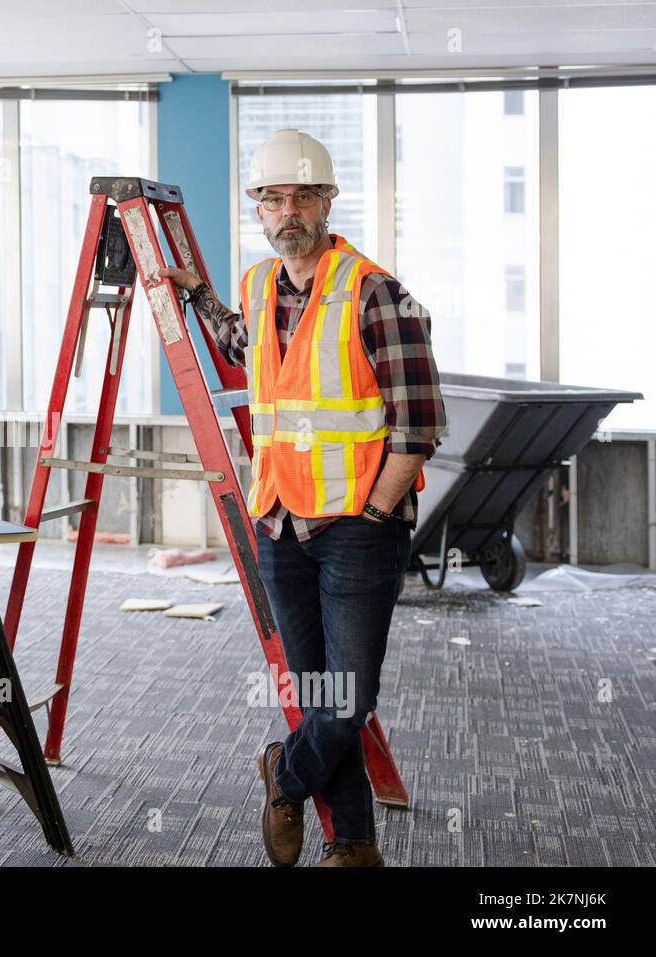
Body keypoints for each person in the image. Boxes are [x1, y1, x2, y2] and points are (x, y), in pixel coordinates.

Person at [156, 128, 446, 867]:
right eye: (273, 198)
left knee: (348, 698)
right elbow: (243, 343)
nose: (289, 211)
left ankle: (283, 776)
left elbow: (419, 429)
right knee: (320, 688)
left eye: (302, 197)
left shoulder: (377, 293)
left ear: (327, 201)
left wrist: (377, 511)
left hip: (357, 525)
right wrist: (200, 296)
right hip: (279, 518)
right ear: (259, 207)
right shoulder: (258, 286)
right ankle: (352, 843)